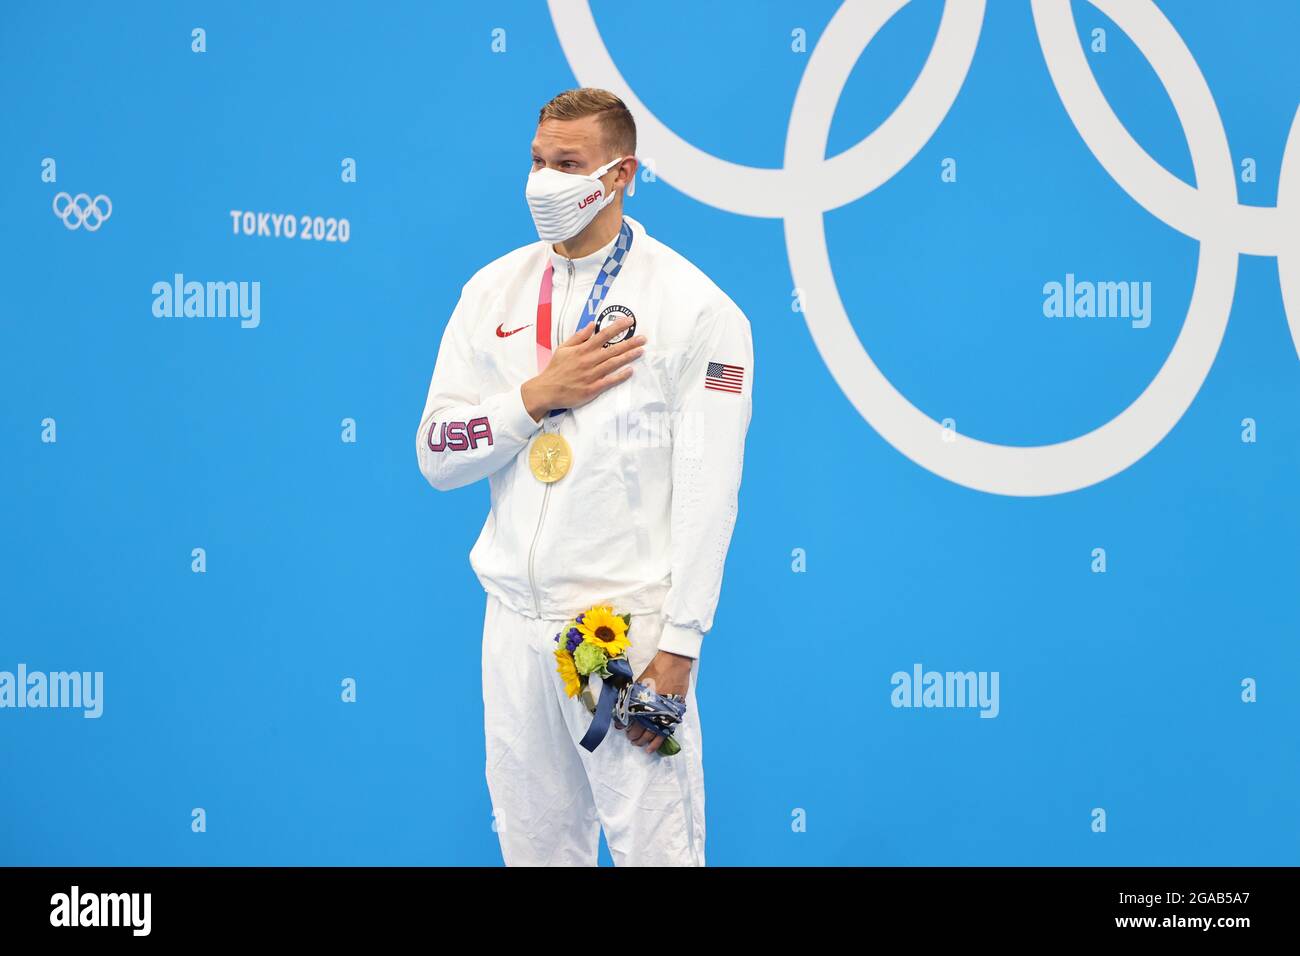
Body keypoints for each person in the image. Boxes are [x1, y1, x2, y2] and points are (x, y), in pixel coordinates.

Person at [415, 88, 753, 866]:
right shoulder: (489, 293)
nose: (543, 181)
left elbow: (711, 494)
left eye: (566, 165)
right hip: (512, 629)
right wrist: (535, 398)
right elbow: (436, 454)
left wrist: (680, 647)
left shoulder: (699, 311)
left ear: (620, 173)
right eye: (536, 160)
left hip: (623, 636)